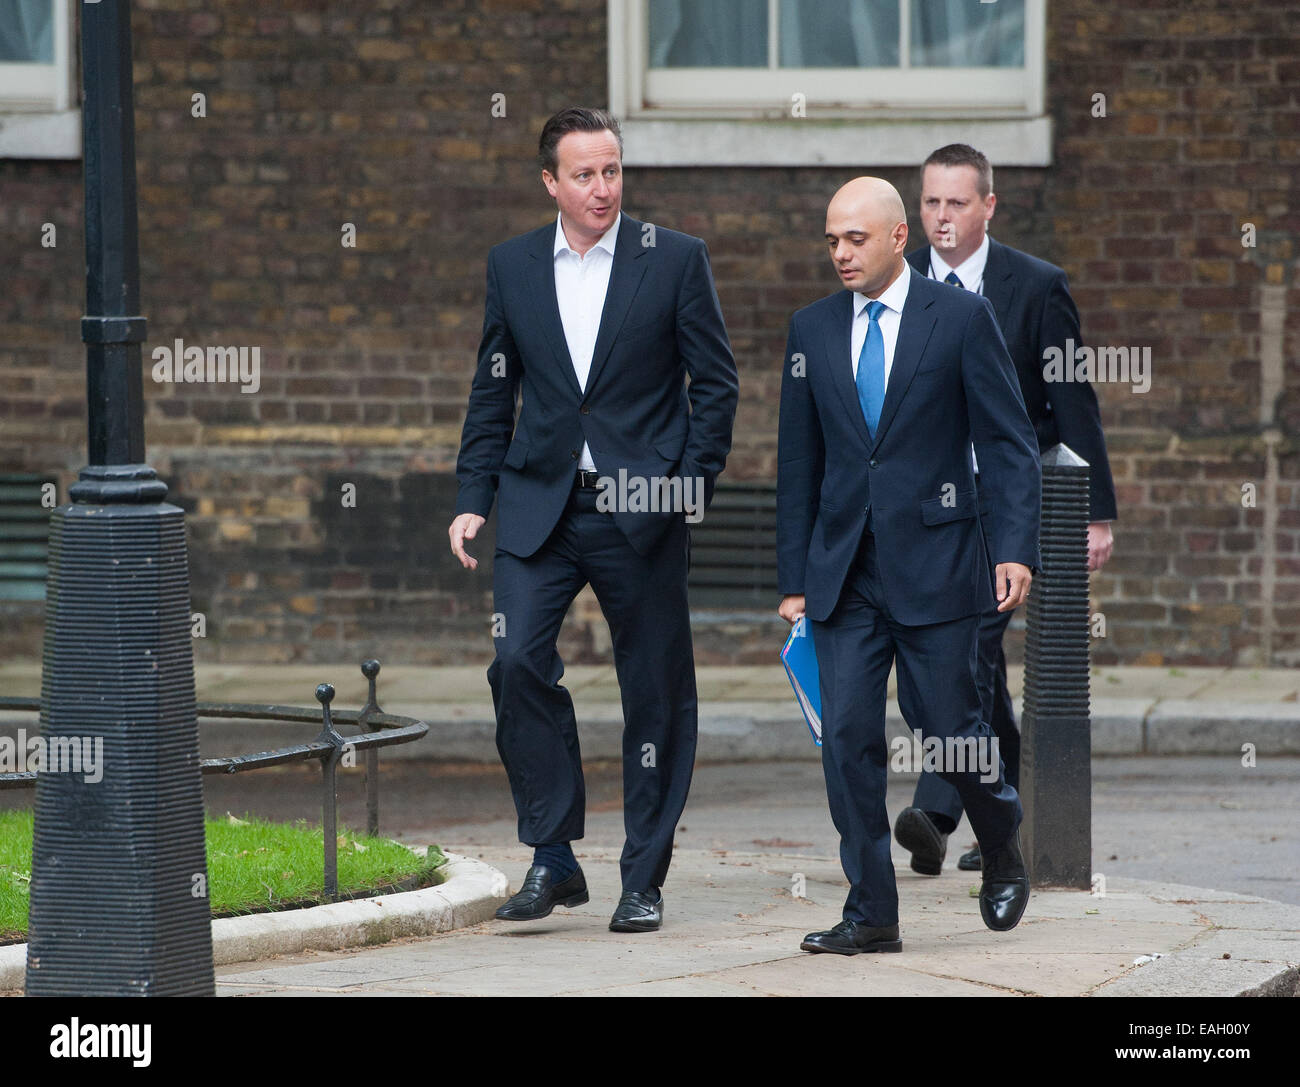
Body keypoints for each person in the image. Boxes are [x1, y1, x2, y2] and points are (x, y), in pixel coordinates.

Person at [448, 107, 738, 933]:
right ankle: (553, 854)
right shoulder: (513, 266)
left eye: (612, 170)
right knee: (515, 664)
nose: (603, 187)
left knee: (655, 693)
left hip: (642, 511)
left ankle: (642, 875)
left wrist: (689, 485)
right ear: (551, 183)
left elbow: (714, 386)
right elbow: (491, 388)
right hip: (540, 503)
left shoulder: (674, 260)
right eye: (585, 174)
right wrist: (474, 498)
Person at [776, 177, 1040, 953]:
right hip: (843, 576)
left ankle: (999, 843)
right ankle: (872, 911)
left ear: (898, 238)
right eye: (831, 240)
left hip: (940, 566)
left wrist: (1015, 548)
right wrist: (794, 579)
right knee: (847, 737)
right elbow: (800, 462)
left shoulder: (959, 318)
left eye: (855, 239)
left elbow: (1006, 441)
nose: (840, 253)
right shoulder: (812, 328)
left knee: (951, 730)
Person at [893, 144, 1118, 876]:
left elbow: (1072, 402)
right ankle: (1008, 805)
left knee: (965, 652)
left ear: (988, 206)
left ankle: (936, 807)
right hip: (927, 510)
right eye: (930, 203)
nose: (941, 217)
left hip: (1006, 507)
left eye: (957, 203)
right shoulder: (899, 282)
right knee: (972, 666)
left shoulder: (1037, 286)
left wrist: (1095, 511)